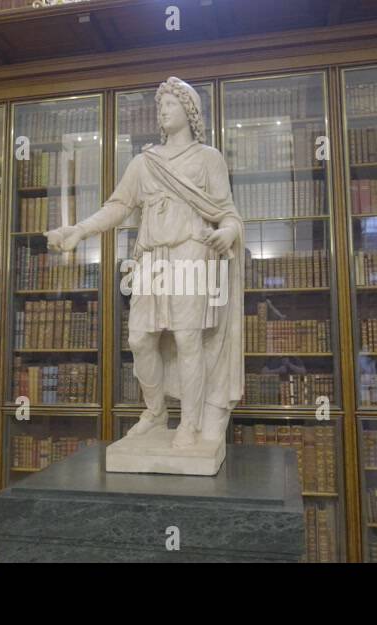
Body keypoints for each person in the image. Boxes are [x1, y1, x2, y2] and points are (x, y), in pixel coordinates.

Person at [47, 77, 244, 449]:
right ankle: (155, 412)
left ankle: (191, 420)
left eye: (169, 104)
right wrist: (80, 230)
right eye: (160, 105)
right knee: (139, 338)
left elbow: (228, 213)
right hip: (152, 257)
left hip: (191, 253)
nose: (162, 111)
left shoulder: (208, 158)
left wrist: (229, 232)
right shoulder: (144, 162)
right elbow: (118, 206)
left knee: (188, 340)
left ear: (189, 111)